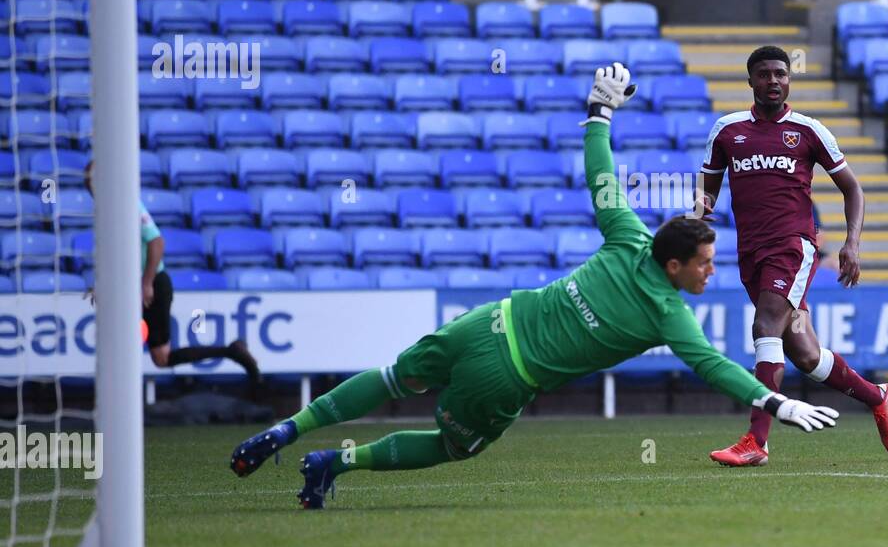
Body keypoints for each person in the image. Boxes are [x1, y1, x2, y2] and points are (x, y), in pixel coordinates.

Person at [229, 63, 841, 508]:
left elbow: (602, 178)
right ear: (676, 266)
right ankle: (336, 462)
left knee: (395, 377)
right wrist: (780, 403)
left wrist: (600, 113)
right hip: (508, 377)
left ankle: (290, 429)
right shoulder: (667, 314)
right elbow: (713, 368)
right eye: (705, 262)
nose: (713, 270)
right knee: (453, 447)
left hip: (487, 322)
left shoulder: (629, 236)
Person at [698, 46, 888, 467]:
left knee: (765, 325)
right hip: (750, 252)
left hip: (793, 246)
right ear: (750, 80)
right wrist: (697, 223)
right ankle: (878, 397)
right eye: (765, 74)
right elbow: (709, 190)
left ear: (789, 80)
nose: (774, 80)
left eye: (781, 74)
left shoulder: (808, 131)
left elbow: (852, 188)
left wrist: (852, 243)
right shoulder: (727, 131)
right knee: (805, 355)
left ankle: (757, 441)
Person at [83, 160, 260, 382]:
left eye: (94, 181)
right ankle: (231, 351)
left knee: (151, 354)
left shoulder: (128, 206)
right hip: (132, 286)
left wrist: (147, 283)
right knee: (158, 357)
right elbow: (115, 257)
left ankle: (232, 352)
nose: (90, 187)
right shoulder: (106, 215)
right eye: (88, 182)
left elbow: (156, 242)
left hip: (152, 284)